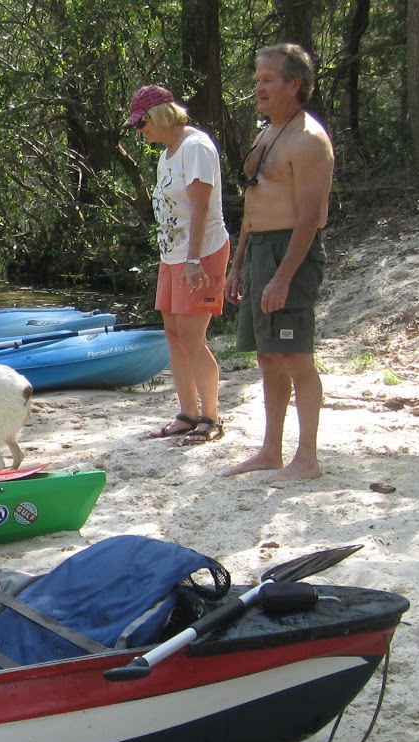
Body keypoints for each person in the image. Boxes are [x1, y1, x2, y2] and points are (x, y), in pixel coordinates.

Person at [221, 43, 335, 483]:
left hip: (292, 253)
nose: (259, 87)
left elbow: (309, 218)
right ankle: (271, 451)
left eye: (268, 79)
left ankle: (306, 459)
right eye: (257, 79)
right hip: (259, 251)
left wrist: (283, 278)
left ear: (295, 84)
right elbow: (254, 204)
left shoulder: (309, 140)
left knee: (295, 355)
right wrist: (237, 265)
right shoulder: (268, 133)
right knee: (268, 357)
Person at [127, 85, 231, 446]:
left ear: (158, 116)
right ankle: (187, 414)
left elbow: (202, 207)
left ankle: (211, 418)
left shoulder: (196, 147)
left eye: (141, 124)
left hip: (199, 255)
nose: (140, 132)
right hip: (172, 255)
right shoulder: (167, 153)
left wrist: (193, 260)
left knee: (192, 338)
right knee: (173, 337)